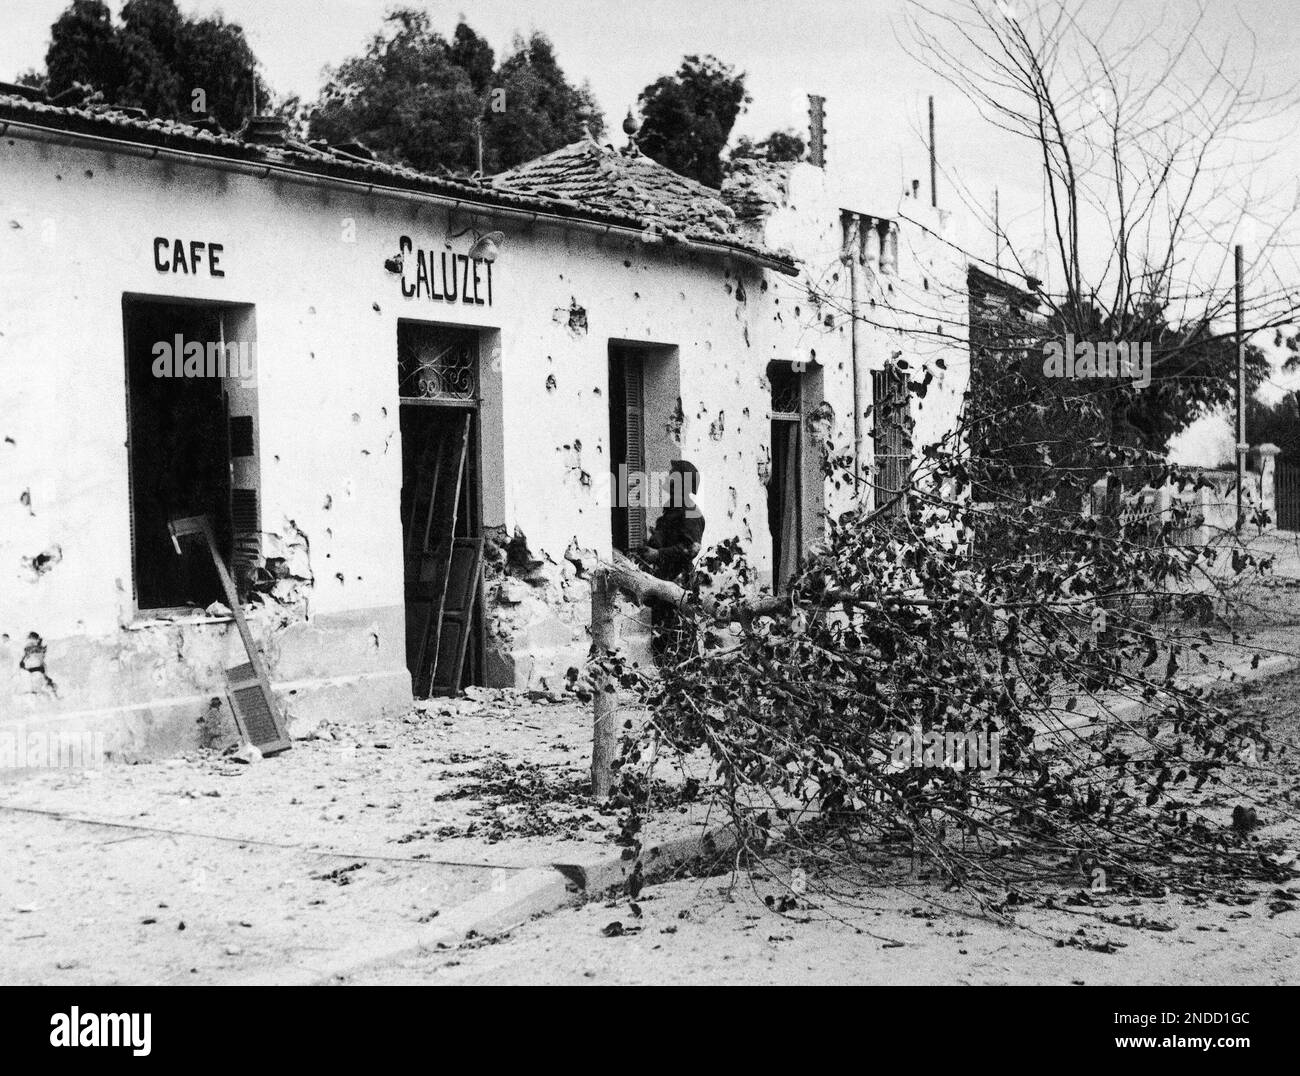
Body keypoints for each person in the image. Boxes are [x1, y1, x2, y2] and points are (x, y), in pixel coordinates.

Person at [639, 460, 705, 658]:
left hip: (679, 580)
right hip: (665, 577)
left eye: (672, 475)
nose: (667, 478)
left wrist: (659, 554)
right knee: (661, 636)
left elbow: (691, 547)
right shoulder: (673, 508)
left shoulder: (691, 511)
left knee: (679, 636)